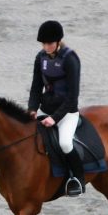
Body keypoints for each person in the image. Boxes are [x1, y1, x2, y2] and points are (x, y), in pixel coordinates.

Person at [28, 20, 84, 196]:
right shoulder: (40, 57)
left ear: (58, 41)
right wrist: (32, 109)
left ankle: (77, 179)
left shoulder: (70, 59)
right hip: (46, 109)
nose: (46, 47)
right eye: (43, 43)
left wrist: (55, 118)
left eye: (49, 43)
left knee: (65, 143)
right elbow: (36, 86)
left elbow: (72, 97)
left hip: (67, 113)